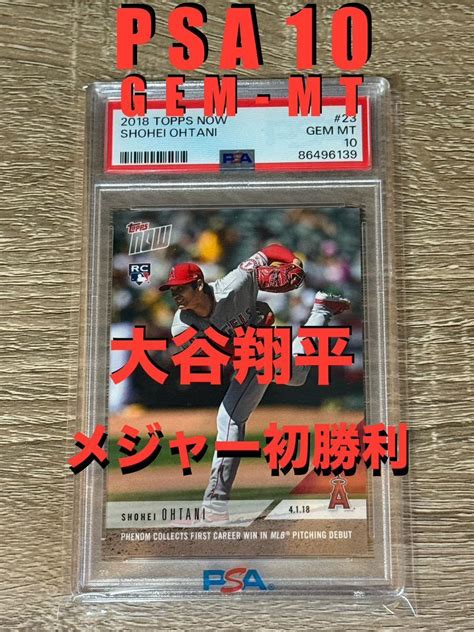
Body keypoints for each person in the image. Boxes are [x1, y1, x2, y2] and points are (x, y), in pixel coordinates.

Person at [159, 243, 350, 522]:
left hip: (259, 346)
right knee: (293, 377)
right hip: (249, 351)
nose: (175, 295)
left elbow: (271, 250)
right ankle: (322, 309)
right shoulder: (183, 325)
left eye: (180, 288)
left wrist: (294, 261)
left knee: (231, 418)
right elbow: (223, 356)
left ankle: (214, 508)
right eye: (172, 290)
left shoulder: (235, 283)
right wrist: (252, 330)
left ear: (198, 284)